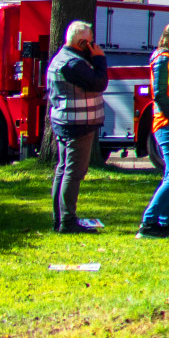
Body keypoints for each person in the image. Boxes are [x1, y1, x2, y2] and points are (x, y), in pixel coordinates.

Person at [48, 20, 109, 233]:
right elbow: (99, 83)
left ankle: (60, 219)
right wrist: (99, 60)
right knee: (73, 173)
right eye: (90, 43)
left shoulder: (59, 59)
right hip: (78, 123)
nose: (93, 47)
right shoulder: (75, 64)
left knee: (63, 170)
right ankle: (67, 221)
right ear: (82, 43)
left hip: (64, 121)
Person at [137, 21, 169, 237]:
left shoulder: (167, 57)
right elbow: (159, 94)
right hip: (165, 123)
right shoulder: (163, 58)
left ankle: (164, 220)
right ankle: (149, 222)